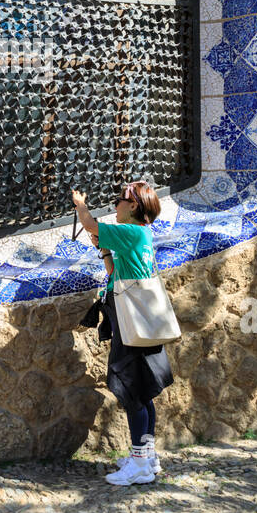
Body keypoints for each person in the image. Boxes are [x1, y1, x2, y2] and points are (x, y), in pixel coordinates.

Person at [72, 181, 173, 485]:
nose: (115, 205)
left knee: (133, 394)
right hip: (140, 326)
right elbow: (117, 276)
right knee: (143, 393)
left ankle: (140, 465)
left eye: (120, 200)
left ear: (133, 206)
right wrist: (105, 252)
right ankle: (147, 457)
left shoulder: (131, 232)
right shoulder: (140, 236)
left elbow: (89, 223)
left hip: (133, 328)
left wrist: (79, 202)